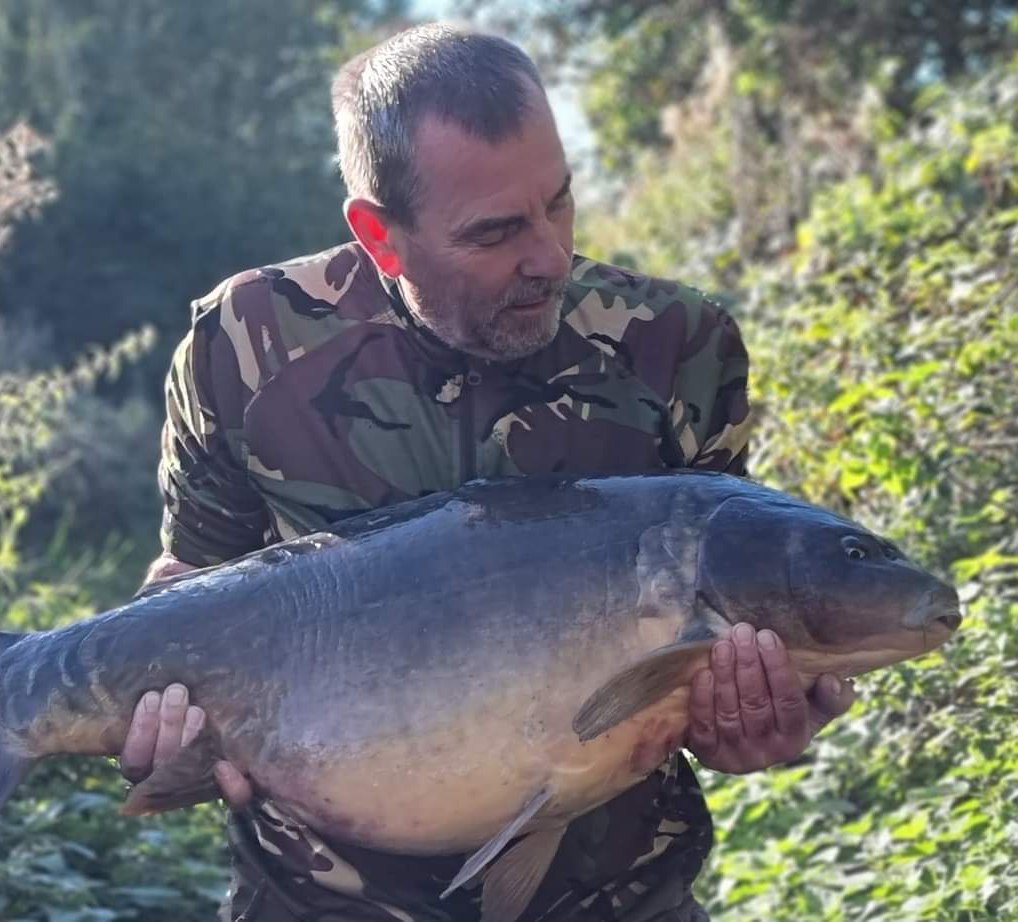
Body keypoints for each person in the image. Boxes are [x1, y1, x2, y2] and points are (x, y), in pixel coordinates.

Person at [116, 21, 856, 922]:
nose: (547, 256)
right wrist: (159, 725)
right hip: (319, 901)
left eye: (560, 202)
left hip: (616, 898)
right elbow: (192, 584)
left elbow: (738, 618)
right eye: (496, 231)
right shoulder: (245, 342)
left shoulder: (676, 345)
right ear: (380, 237)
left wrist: (767, 721)